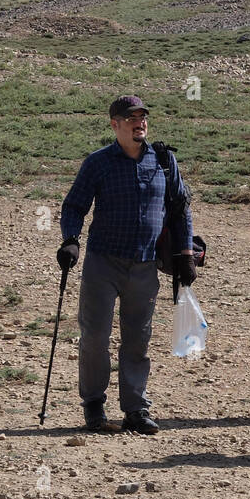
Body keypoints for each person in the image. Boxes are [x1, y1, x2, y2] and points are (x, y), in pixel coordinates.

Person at [58, 96, 195, 435]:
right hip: (103, 263)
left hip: (145, 265)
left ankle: (136, 409)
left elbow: (180, 209)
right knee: (95, 336)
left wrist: (186, 254)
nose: (139, 124)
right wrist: (71, 239)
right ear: (114, 125)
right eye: (131, 118)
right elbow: (74, 205)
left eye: (143, 118)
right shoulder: (98, 163)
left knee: (137, 340)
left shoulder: (164, 161)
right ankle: (94, 406)